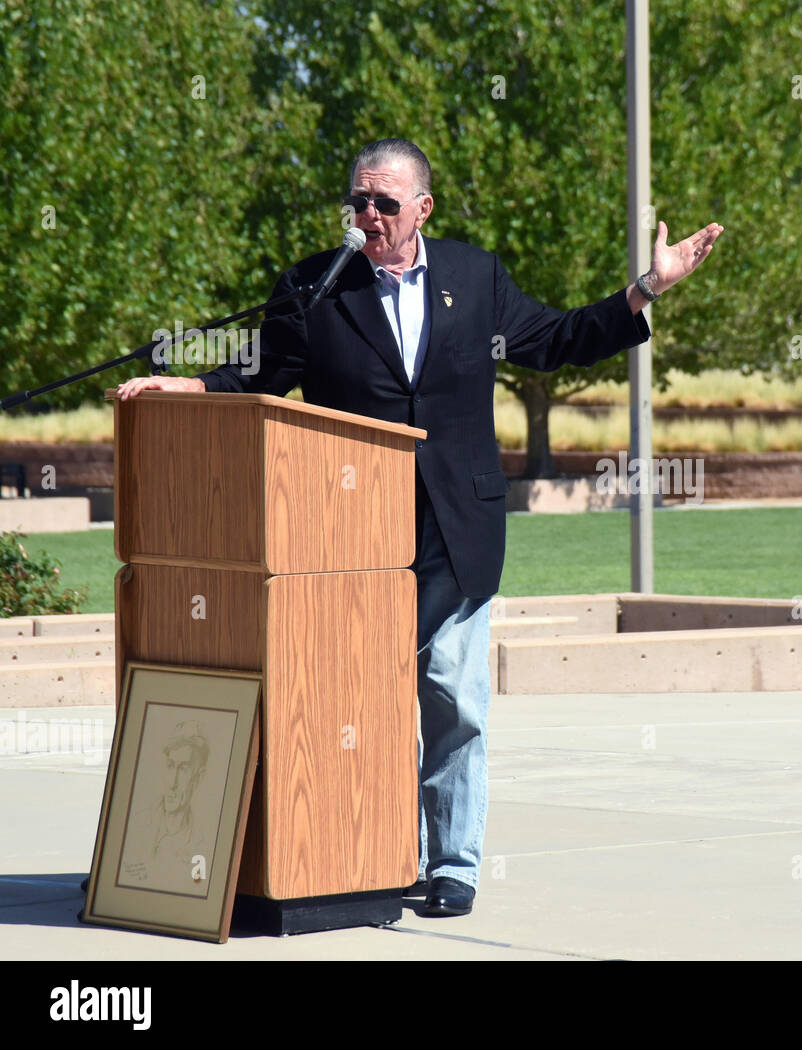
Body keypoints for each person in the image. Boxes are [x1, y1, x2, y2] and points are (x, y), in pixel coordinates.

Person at [115, 137, 722, 917]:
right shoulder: (315, 284)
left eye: (385, 203)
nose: (368, 216)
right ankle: (364, 853)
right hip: (343, 526)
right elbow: (265, 374)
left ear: (422, 209)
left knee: (454, 701)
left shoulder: (475, 276)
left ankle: (453, 866)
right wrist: (191, 383)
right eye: (358, 202)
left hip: (455, 524)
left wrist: (646, 288)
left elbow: (555, 340)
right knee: (350, 701)